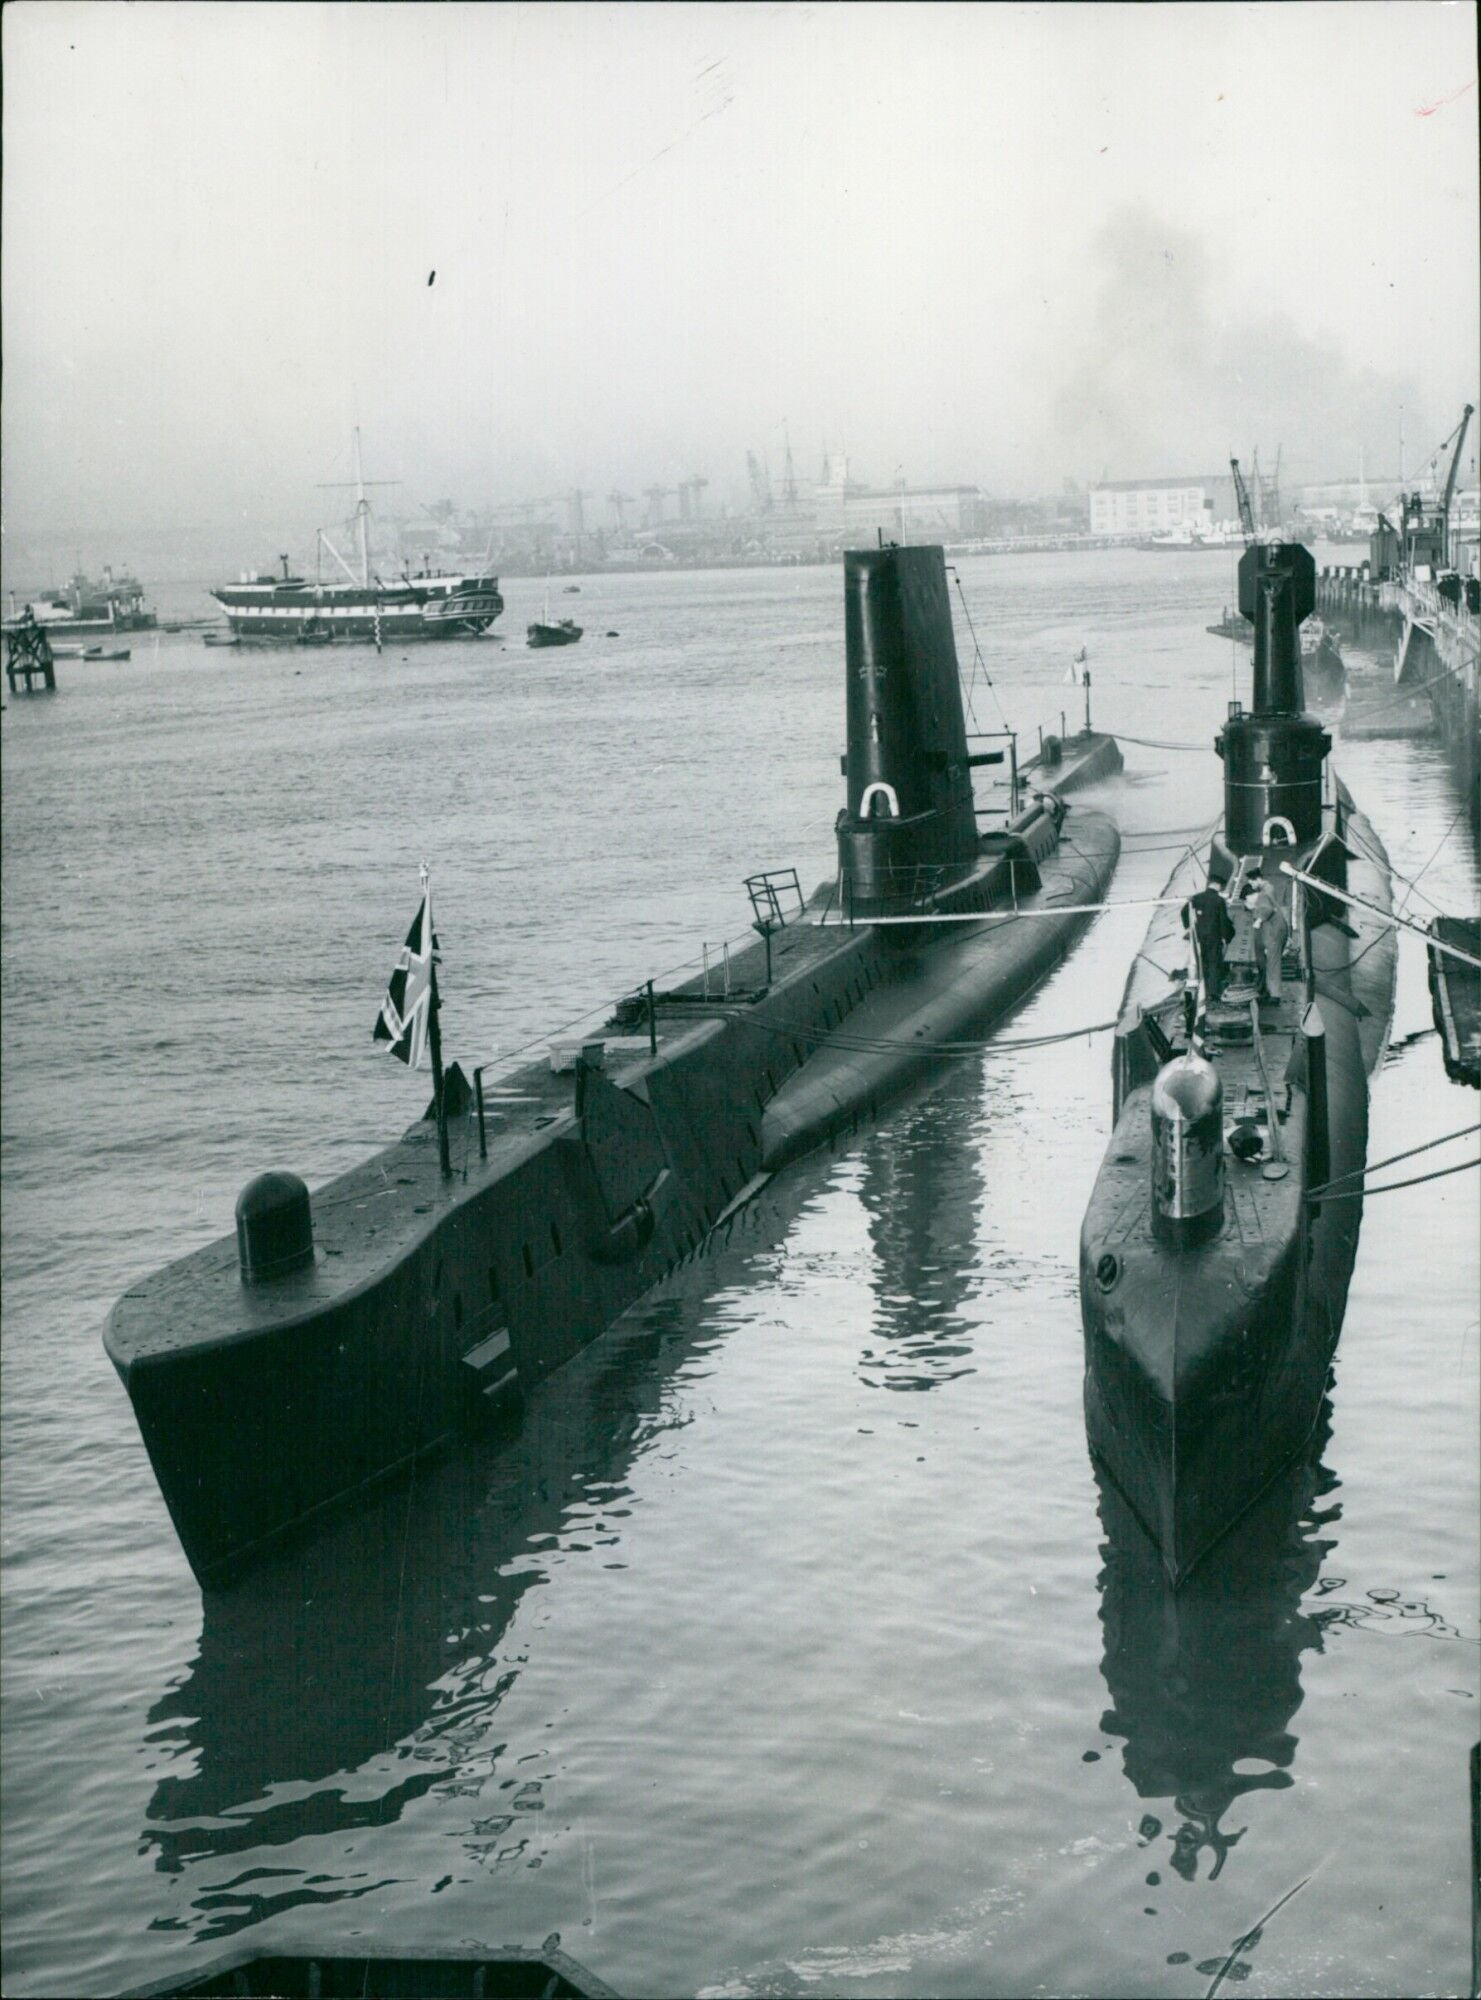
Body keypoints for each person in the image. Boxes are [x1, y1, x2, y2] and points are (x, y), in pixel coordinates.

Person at [1181, 884, 1236, 1004]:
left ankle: (1203, 991)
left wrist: (1188, 927)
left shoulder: (1196, 897)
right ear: (1217, 886)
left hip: (1199, 937)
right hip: (1214, 937)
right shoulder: (1219, 900)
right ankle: (1213, 993)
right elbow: (1222, 920)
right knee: (1214, 964)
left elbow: (1184, 911)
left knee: (1203, 963)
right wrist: (1227, 936)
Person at [1243, 873, 1289, 1002]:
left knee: (1273, 964)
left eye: (1246, 900)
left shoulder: (1262, 896)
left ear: (1250, 896)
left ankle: (1275, 995)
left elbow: (1267, 910)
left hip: (1274, 933)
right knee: (1268, 963)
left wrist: (1258, 920)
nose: (1246, 903)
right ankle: (1266, 989)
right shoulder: (1265, 895)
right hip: (1273, 931)